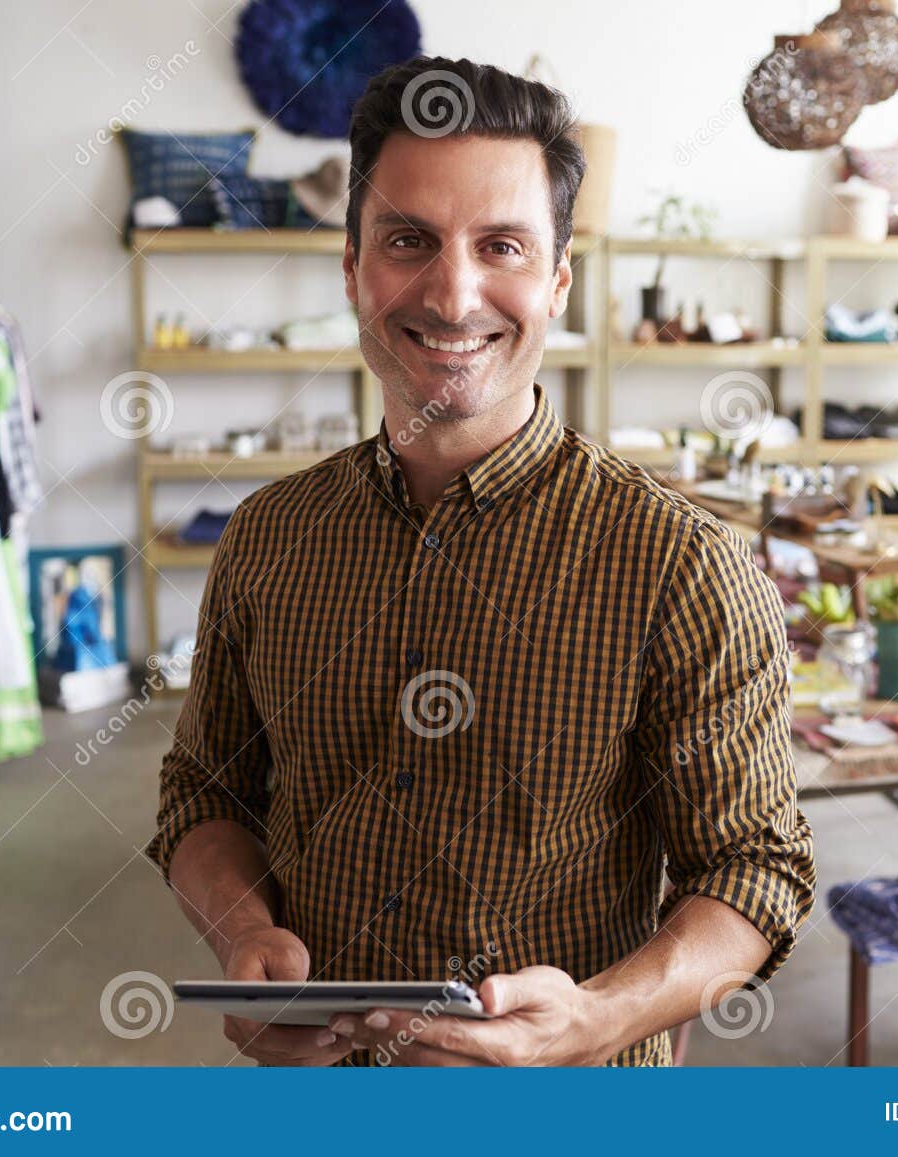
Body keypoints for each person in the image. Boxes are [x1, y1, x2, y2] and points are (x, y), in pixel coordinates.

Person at [146, 56, 815, 1067]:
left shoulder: (681, 567)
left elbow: (754, 869)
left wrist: (598, 1015)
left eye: (500, 245)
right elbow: (205, 790)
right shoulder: (267, 536)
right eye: (408, 239)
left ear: (557, 278)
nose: (453, 294)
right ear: (351, 267)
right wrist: (241, 931)